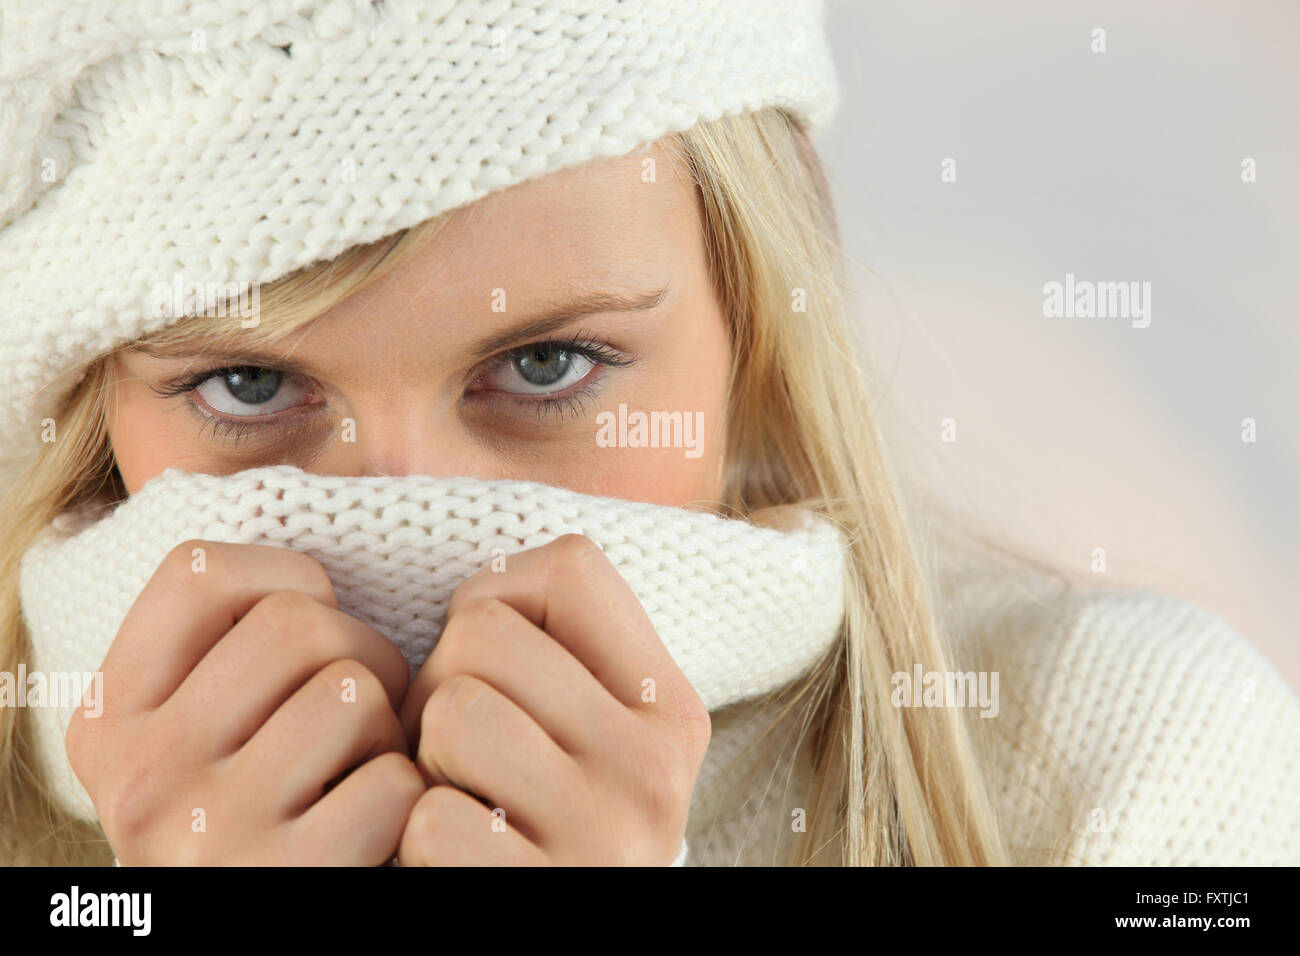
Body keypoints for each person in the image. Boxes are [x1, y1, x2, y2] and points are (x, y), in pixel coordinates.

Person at [1, 0, 1295, 866]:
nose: (410, 513)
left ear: (762, 306)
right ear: (93, 398)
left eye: (548, 363)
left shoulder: (1121, 765)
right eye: (243, 388)